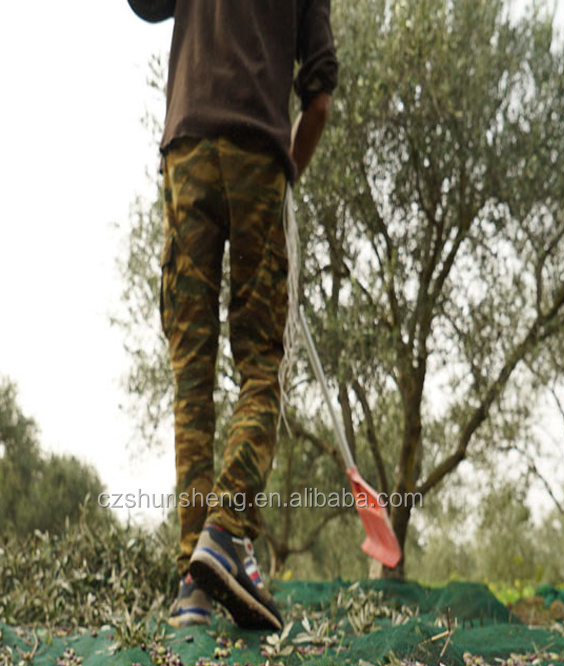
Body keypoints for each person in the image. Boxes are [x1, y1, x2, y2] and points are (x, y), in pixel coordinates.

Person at [129, 0, 338, 631]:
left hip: (187, 154)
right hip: (260, 156)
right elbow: (320, 99)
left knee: (190, 375)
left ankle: (192, 588)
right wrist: (285, 180)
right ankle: (222, 533)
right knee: (261, 370)